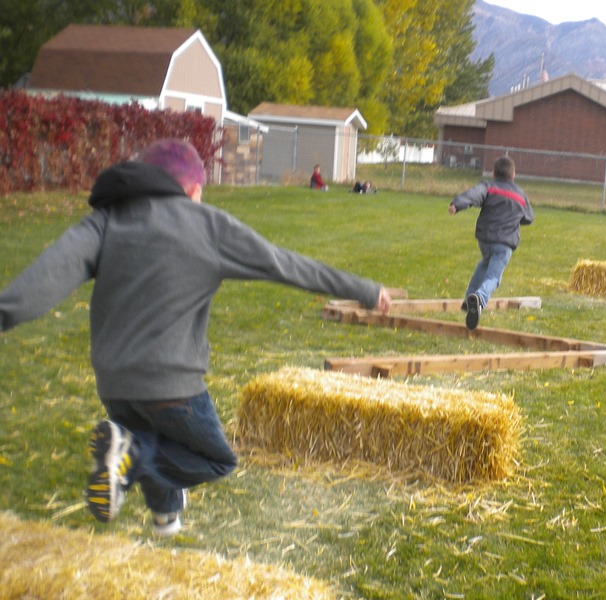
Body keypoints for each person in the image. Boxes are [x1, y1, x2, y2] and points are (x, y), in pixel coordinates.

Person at [0, 139, 391, 537]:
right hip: (174, 385)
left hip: (115, 384)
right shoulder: (208, 226)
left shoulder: (106, 220)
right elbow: (286, 265)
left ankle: (165, 517)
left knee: (147, 438)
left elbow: (46, 276)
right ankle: (132, 458)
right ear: (190, 190)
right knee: (213, 460)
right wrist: (364, 289)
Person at [448, 156, 534, 330]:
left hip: (485, 239)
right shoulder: (520, 194)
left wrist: (457, 205)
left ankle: (469, 299)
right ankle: (479, 298)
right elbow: (528, 217)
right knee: (494, 277)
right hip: (505, 243)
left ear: (493, 173)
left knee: (484, 264)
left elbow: (472, 195)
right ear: (514, 175)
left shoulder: (488, 186)